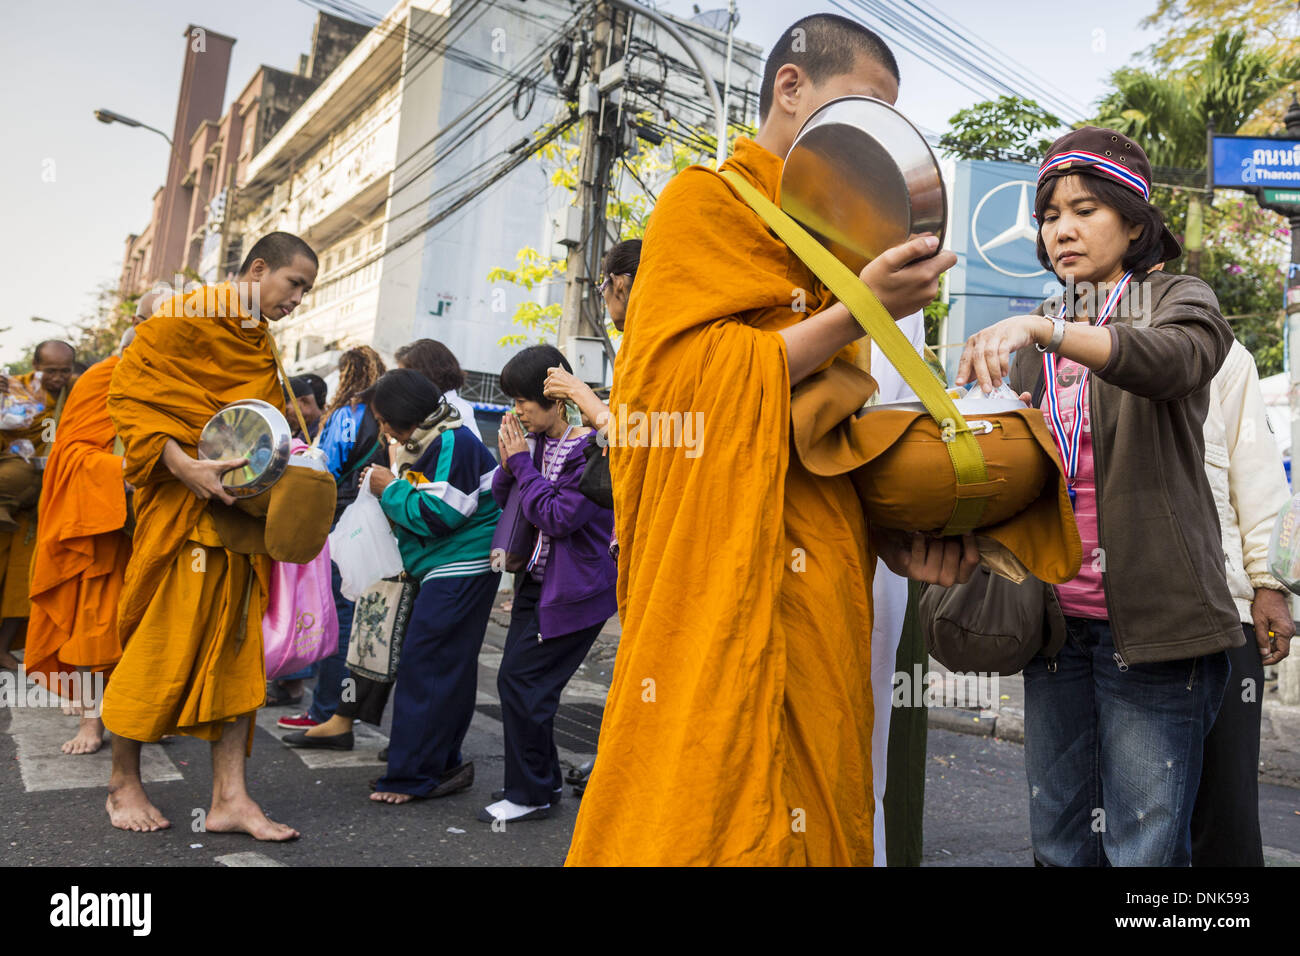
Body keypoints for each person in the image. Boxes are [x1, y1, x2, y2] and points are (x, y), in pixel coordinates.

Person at [566, 14, 968, 866]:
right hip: (715, 562)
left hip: (824, 573)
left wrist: (901, 535)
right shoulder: (703, 203)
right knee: (702, 797)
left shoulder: (843, 248)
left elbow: (835, 436)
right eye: (860, 108)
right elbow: (671, 392)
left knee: (820, 789)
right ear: (791, 88)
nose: (872, 142)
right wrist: (855, 309)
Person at [957, 128, 1240, 866]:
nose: (1063, 229)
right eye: (1050, 214)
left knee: (1143, 852)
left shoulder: (1177, 298)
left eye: (1085, 209)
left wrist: (1050, 330)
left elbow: (1170, 361)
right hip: (1053, 626)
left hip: (1152, 633)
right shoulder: (1034, 336)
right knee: (1056, 842)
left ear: (1135, 221)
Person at [102, 230, 318, 838]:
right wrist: (181, 465)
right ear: (257, 269)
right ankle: (123, 783)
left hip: (239, 526)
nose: (297, 299)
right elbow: (131, 398)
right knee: (157, 653)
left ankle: (230, 799)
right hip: (183, 519)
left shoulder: (259, 343)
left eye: (305, 290)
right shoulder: (181, 319)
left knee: (235, 661)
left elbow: (257, 428)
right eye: (293, 283)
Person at [338, 368, 501, 802]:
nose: (383, 428)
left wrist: (388, 487)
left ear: (403, 414)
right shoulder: (431, 439)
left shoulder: (452, 440)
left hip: (459, 567)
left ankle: (411, 776)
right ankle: (438, 765)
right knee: (447, 671)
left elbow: (439, 515)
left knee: (425, 669)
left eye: (385, 418)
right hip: (448, 568)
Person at [479, 345, 615, 824]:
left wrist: (521, 465)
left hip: (576, 591)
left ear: (557, 400)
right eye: (512, 401)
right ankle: (540, 784)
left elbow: (558, 517)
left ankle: (532, 792)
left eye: (524, 401)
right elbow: (506, 497)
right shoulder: (531, 444)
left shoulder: (591, 448)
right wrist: (510, 460)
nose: (517, 411)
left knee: (523, 685)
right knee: (521, 684)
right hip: (535, 583)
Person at [1191, 338, 1294, 866]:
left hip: (1219, 611)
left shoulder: (1220, 350)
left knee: (1222, 811)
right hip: (1091, 616)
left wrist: (1270, 585)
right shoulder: (1045, 341)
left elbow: (1257, 478)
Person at [24, 321, 149, 753]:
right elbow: (70, 453)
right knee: (96, 622)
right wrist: (119, 473)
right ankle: (91, 722)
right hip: (101, 526)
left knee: (146, 628)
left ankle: (138, 714)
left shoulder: (168, 382)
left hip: (152, 522)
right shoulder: (101, 379)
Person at [275, 346, 387, 731]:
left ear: (346, 376)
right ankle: (347, 712)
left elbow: (322, 469)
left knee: (338, 621)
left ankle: (326, 712)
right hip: (382, 530)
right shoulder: (386, 415)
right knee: (363, 626)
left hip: (343, 526)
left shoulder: (348, 415)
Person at [0, 340, 76, 672]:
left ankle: (3, 648)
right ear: (35, 365)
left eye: (64, 370)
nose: (58, 378)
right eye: (50, 371)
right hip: (12, 499)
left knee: (25, 580)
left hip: (46, 501)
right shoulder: (14, 390)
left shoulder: (78, 393)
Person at [395, 339, 482, 441]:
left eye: (405, 377)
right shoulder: (427, 409)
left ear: (428, 375)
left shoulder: (455, 415)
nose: (400, 384)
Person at [287, 374, 327, 442]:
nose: (284, 416)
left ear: (304, 401)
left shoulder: (325, 431)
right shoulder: (300, 434)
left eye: (286, 410)